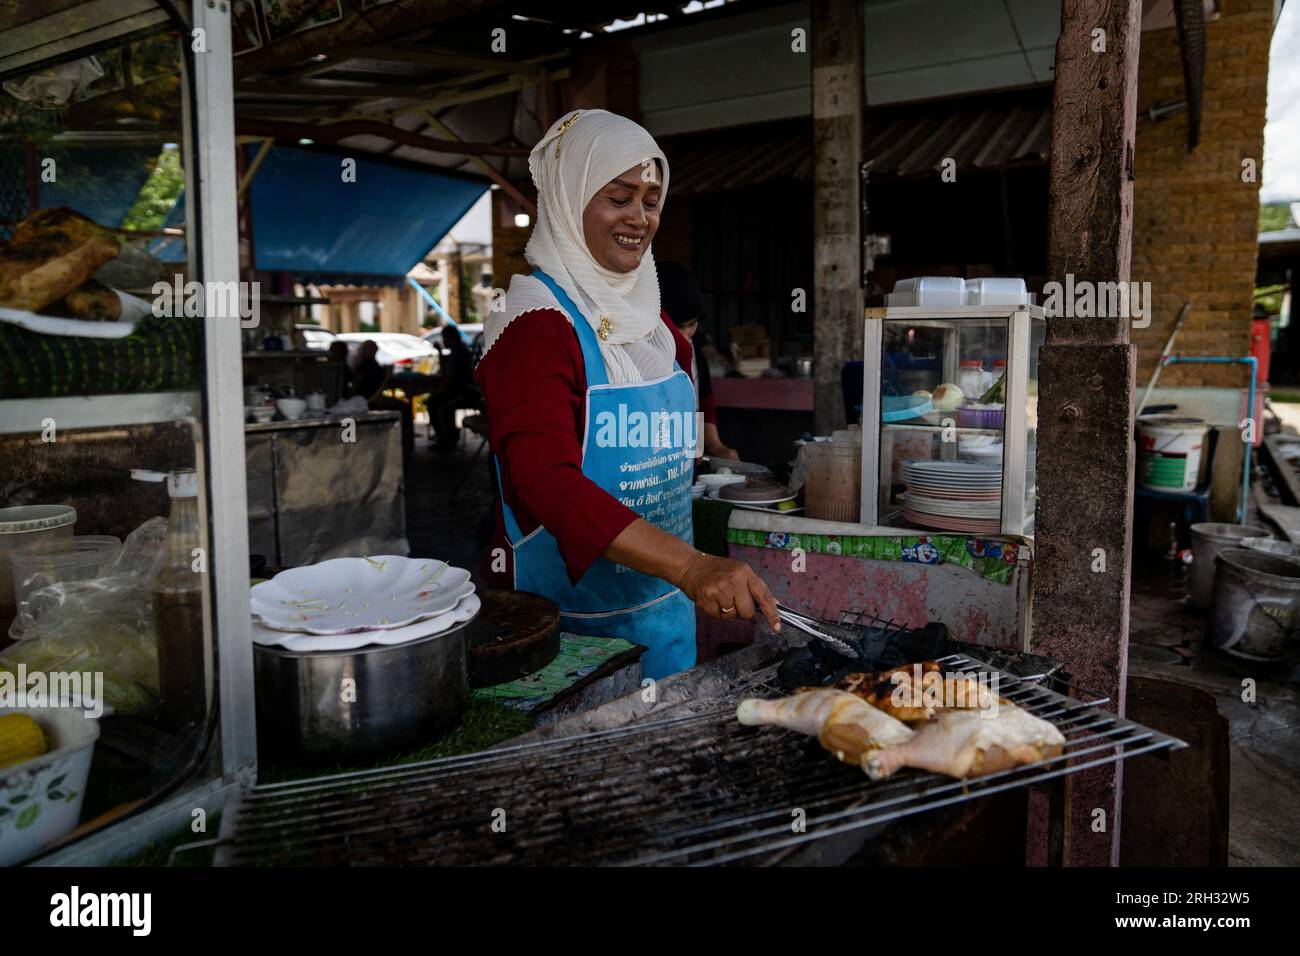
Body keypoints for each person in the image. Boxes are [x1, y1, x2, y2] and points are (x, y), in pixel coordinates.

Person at [476, 109, 780, 680]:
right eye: (618, 197)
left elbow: (681, 411)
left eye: (650, 199)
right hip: (566, 636)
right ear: (569, 199)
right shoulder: (532, 325)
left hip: (665, 616)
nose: (639, 217)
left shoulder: (654, 320)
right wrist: (690, 567)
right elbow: (543, 481)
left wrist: (708, 456)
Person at [656, 259, 739, 461]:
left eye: (691, 325)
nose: (686, 335)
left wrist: (714, 445)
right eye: (678, 327)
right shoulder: (642, 358)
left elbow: (703, 399)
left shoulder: (696, 356)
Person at [427, 325, 477, 450]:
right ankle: (447, 436)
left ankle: (447, 439)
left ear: (449, 338)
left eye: (444, 338)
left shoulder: (459, 351)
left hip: (464, 392)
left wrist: (440, 391)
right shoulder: (458, 349)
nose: (443, 341)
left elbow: (450, 376)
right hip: (460, 390)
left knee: (436, 405)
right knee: (435, 402)